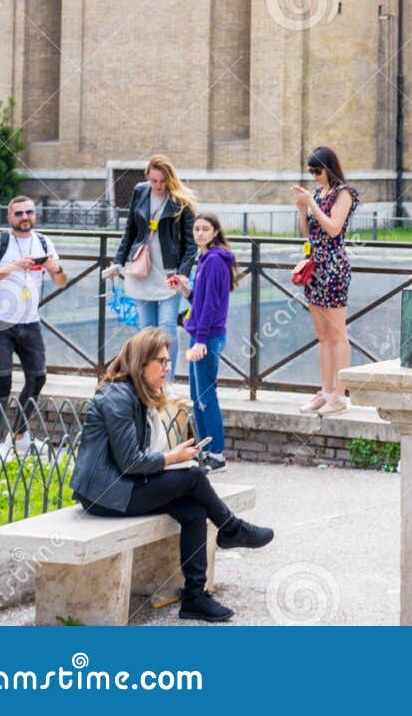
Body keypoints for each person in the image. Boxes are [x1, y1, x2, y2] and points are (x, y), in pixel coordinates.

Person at [72, 327, 272, 622]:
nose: (167, 368)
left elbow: (137, 458)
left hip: (124, 485)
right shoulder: (118, 397)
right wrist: (172, 458)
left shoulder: (135, 393)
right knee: (192, 477)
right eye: (161, 362)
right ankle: (230, 528)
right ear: (141, 364)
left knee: (193, 510)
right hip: (104, 493)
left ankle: (194, 597)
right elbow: (130, 462)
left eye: (168, 361)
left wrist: (173, 457)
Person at [0, 195, 68, 460]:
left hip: (30, 322)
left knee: (38, 377)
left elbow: (62, 282)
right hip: (0, 323)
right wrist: (13, 267)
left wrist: (55, 267)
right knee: (2, 380)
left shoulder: (42, 241)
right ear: (9, 217)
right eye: (19, 214)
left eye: (29, 212)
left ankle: (19, 437)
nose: (25, 217)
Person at [105, 157, 197, 376]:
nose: (158, 185)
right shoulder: (140, 191)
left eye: (163, 181)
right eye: (154, 180)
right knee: (147, 331)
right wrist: (119, 261)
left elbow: (190, 244)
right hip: (142, 270)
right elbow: (130, 231)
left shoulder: (180, 200)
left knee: (166, 328)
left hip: (169, 274)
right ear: (147, 177)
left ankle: (168, 381)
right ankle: (150, 379)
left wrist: (183, 273)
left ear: (170, 179)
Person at [292, 146, 360, 414]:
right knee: (322, 335)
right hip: (314, 266)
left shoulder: (344, 193)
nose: (315, 176)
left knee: (337, 333)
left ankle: (340, 395)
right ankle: (326, 390)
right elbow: (309, 232)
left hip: (333, 266)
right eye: (311, 172)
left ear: (329, 168)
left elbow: (333, 228)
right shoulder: (318, 193)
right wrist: (302, 210)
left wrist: (311, 204)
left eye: (318, 171)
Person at [169, 214, 238, 473]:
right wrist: (185, 291)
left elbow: (210, 306)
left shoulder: (214, 261)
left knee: (207, 397)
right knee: (198, 397)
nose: (199, 233)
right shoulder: (206, 259)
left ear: (214, 232)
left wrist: (200, 341)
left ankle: (216, 454)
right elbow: (201, 300)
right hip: (201, 333)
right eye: (196, 229)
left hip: (207, 336)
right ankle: (205, 450)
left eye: (204, 229)